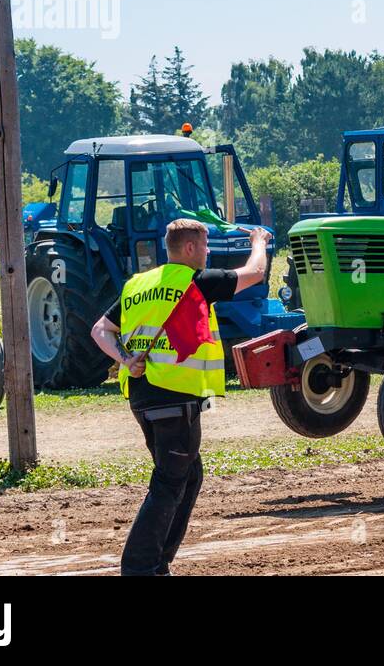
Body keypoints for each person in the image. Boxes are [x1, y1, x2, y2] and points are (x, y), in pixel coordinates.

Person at [90, 217, 271, 576]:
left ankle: (158, 563)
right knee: (170, 482)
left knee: (188, 476)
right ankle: (140, 568)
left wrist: (125, 359)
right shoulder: (196, 283)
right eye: (204, 246)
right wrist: (259, 240)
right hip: (176, 398)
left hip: (142, 397)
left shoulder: (137, 284)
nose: (207, 252)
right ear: (189, 248)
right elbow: (255, 273)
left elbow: (100, 329)